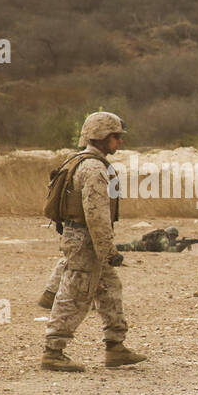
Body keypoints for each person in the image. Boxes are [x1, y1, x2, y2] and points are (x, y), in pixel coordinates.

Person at [42, 111, 146, 372]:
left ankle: (115, 346)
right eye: (115, 137)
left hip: (84, 239)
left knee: (110, 290)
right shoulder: (94, 168)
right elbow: (97, 214)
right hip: (87, 242)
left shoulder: (79, 161)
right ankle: (53, 351)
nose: (119, 142)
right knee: (75, 296)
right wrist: (108, 251)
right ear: (102, 137)